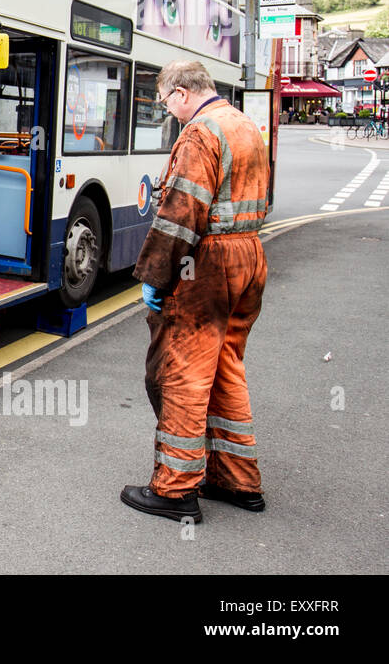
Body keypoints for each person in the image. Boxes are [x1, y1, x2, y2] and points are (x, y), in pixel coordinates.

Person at [121, 60, 270, 523]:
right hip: (249, 254)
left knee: (182, 370)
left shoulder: (200, 133)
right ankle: (237, 479)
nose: (169, 112)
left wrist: (156, 277)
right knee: (225, 366)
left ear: (182, 92)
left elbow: (180, 213)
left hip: (208, 263)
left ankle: (175, 489)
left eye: (166, 103)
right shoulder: (244, 125)